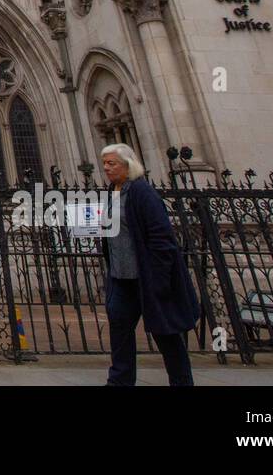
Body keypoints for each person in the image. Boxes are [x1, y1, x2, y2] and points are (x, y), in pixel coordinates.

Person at [99, 143, 200, 386]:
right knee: (120, 333)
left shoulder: (143, 193)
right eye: (105, 164)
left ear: (128, 164)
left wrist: (160, 279)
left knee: (166, 335)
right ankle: (119, 383)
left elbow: (161, 239)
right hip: (121, 278)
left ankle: (182, 382)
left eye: (111, 163)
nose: (106, 168)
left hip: (147, 278)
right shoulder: (112, 192)